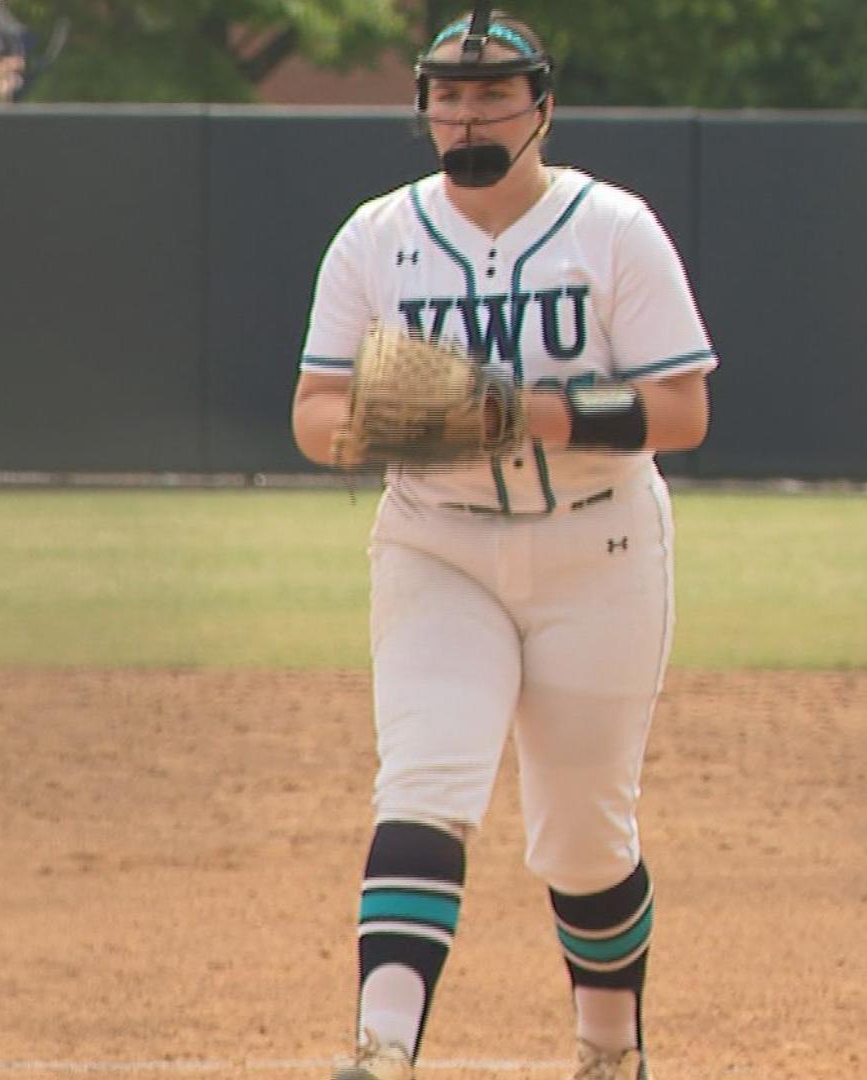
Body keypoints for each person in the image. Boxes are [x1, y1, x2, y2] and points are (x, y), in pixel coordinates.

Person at [289, 8, 716, 1080]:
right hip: (439, 544)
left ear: (541, 108)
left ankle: (609, 1050)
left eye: (492, 94)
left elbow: (682, 410)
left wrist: (528, 414)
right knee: (424, 784)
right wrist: (385, 426)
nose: (469, 114)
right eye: (449, 95)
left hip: (598, 549)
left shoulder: (610, 229)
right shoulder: (376, 238)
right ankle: (383, 1050)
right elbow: (313, 412)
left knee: (583, 835)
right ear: (425, 109)